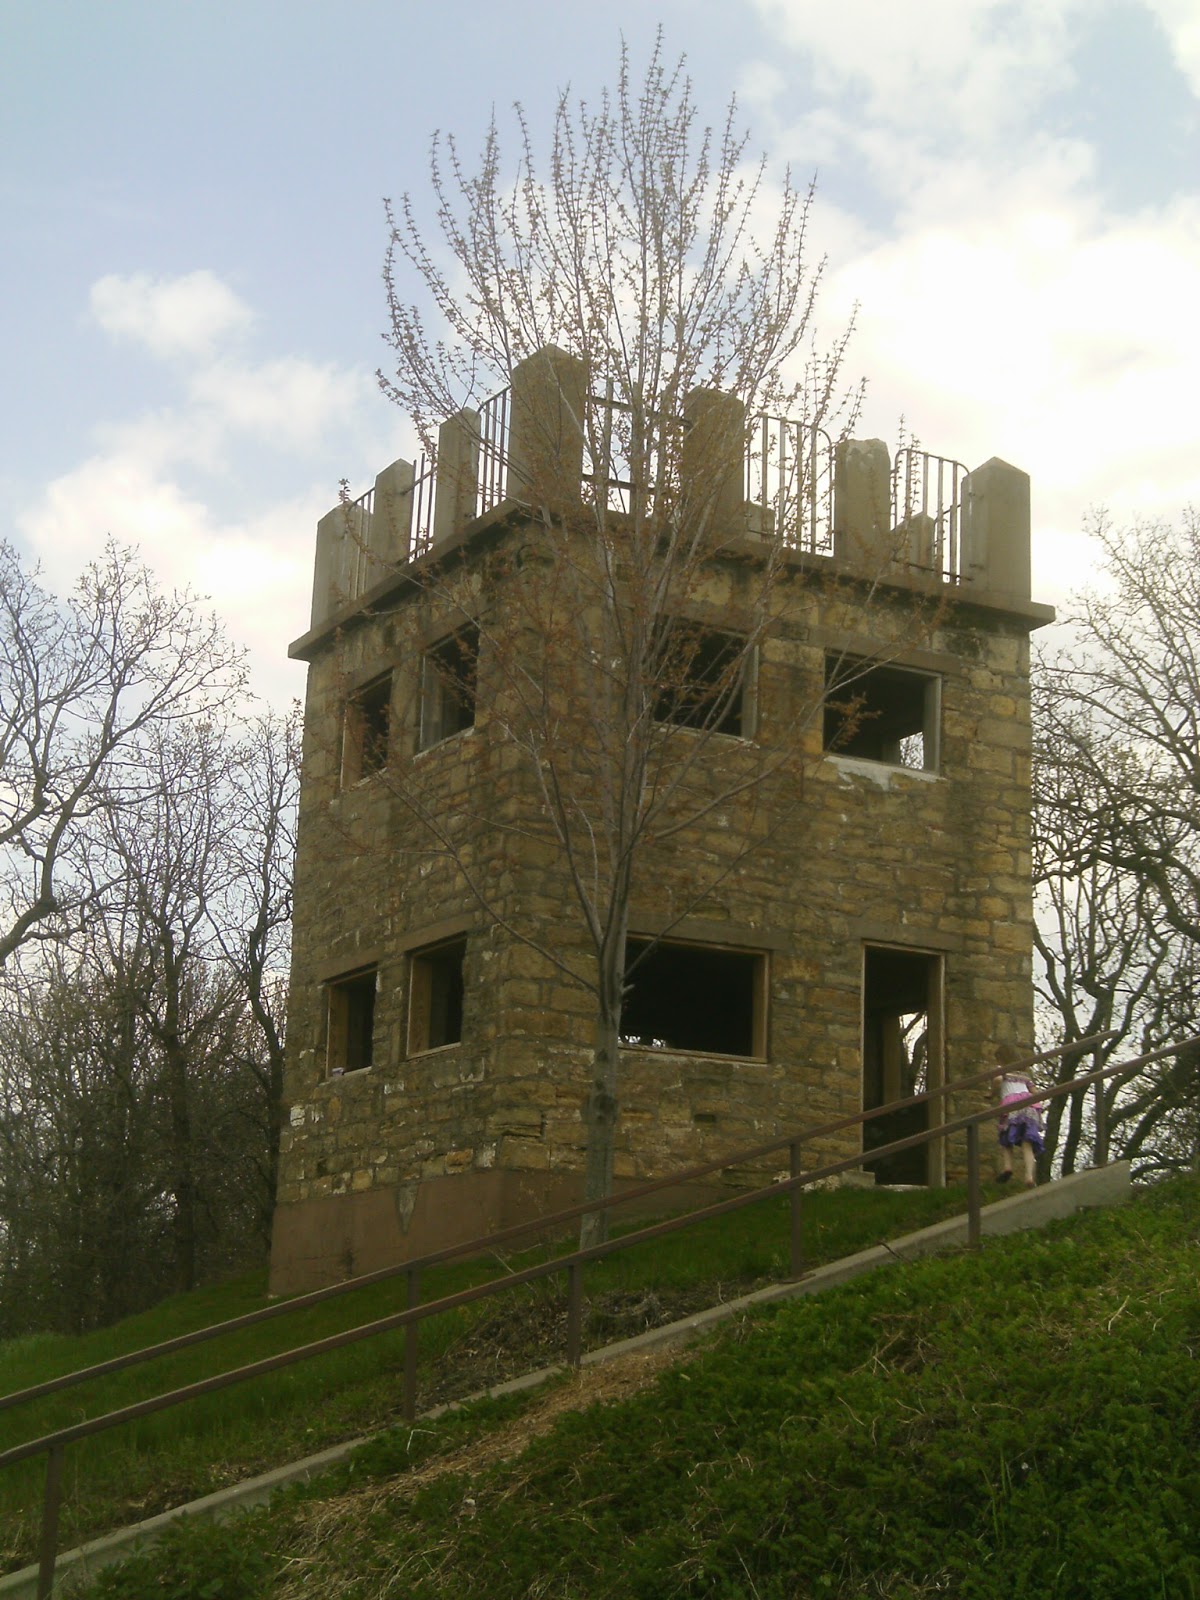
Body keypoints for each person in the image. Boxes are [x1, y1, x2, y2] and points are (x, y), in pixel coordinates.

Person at [993, 1046, 1045, 1187]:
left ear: (1001, 1059)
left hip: (1012, 1106)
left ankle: (1008, 1167)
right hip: (1029, 1106)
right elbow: (1035, 1092)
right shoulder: (1024, 1075)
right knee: (1027, 1143)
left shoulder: (1002, 1069)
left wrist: (991, 1091)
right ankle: (1029, 1176)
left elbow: (997, 1080)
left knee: (1005, 1137)